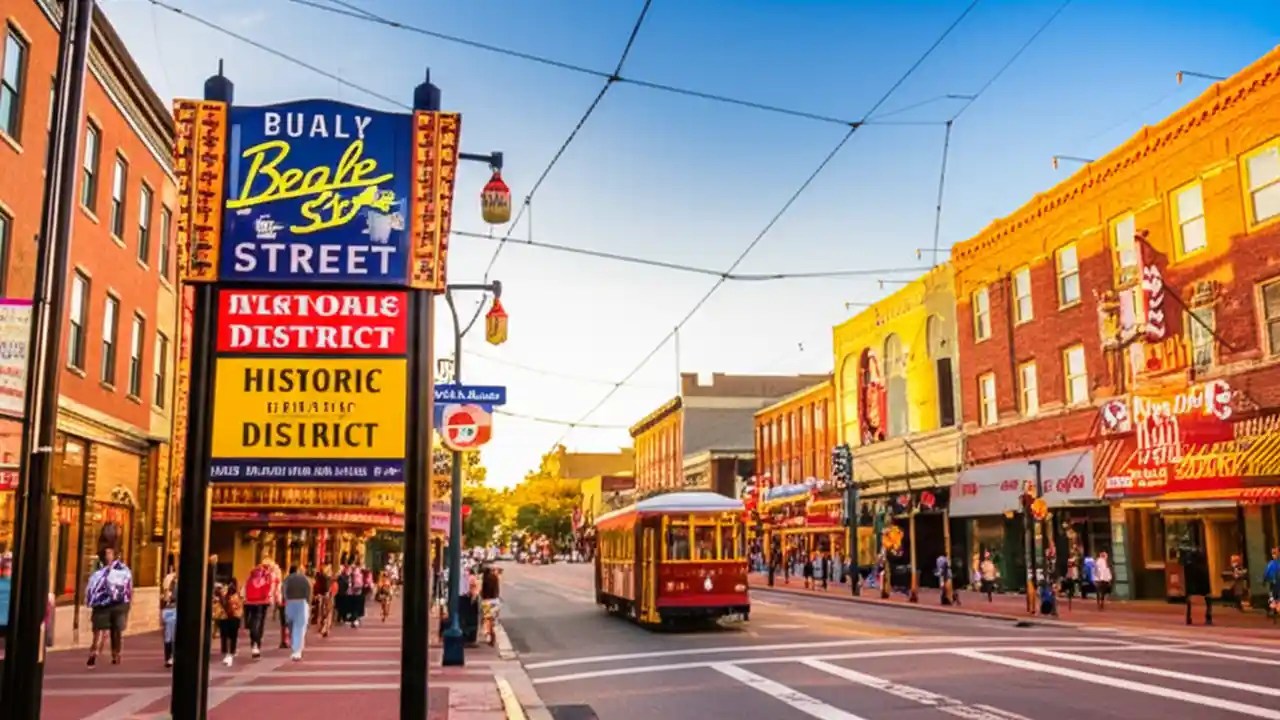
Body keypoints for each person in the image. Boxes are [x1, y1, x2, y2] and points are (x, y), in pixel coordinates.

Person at [86, 547, 133, 668]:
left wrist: (127, 604)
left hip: (118, 605)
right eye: (106, 553)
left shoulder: (123, 569)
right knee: (97, 629)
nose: (108, 556)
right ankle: (93, 652)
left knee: (116, 630)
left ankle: (115, 654)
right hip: (102, 604)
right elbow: (92, 583)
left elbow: (128, 587)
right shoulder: (99, 568)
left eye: (110, 553)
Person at [242, 557, 276, 658]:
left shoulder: (252, 574)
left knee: (253, 622)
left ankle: (254, 643)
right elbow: (271, 588)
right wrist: (271, 600)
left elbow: (245, 587)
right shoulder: (267, 575)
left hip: (249, 601)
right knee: (259, 622)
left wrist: (244, 598)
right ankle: (256, 644)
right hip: (262, 601)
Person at [282, 565, 313, 661]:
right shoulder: (305, 579)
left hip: (290, 603)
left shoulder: (287, 579)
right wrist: (309, 603)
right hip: (302, 602)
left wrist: (285, 599)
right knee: (299, 626)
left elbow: (283, 590)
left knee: (291, 624)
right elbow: (309, 591)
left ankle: (295, 646)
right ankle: (297, 650)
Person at [214, 580, 244, 666]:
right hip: (232, 616)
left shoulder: (225, 592)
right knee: (231, 635)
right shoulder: (235, 593)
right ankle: (230, 650)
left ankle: (227, 650)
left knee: (227, 634)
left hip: (227, 616)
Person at [160, 560, 178, 669]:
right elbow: (166, 595)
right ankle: (169, 657)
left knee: (172, 635)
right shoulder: (169, 579)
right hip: (171, 609)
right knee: (169, 635)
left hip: (173, 609)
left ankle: (171, 657)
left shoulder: (169, 578)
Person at [480, 564, 502, 646]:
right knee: (493, 620)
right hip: (495, 601)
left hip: (486, 601)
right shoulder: (495, 578)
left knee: (487, 619)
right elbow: (497, 590)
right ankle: (493, 634)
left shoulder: (484, 580)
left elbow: (482, 592)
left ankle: (489, 634)